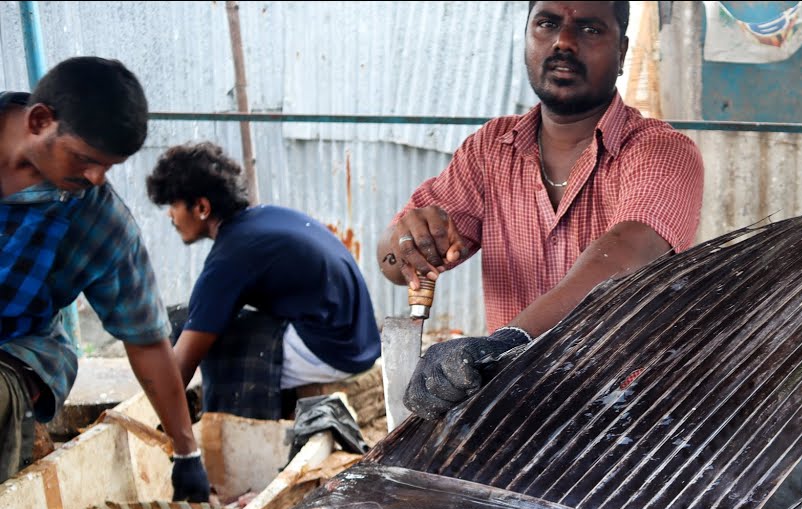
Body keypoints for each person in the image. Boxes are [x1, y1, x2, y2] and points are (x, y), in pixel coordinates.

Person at [378, 0, 704, 420]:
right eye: (547, 23)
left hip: (629, 415)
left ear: (622, 53)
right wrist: (408, 242)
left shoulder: (661, 151)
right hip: (514, 414)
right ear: (527, 35)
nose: (563, 42)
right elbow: (391, 262)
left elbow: (628, 251)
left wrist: (511, 341)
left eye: (589, 29)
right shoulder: (490, 149)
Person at [0, 56, 209, 500]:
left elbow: (147, 340)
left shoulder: (101, 220)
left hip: (15, 348)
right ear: (40, 121)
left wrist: (187, 455)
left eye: (108, 167)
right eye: (84, 159)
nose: (95, 177)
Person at [146, 142, 381, 420]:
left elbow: (184, 361)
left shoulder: (231, 255)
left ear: (201, 207)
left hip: (333, 349)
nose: (170, 215)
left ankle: (236, 425)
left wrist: (155, 422)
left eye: (173, 205)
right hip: (356, 338)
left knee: (204, 338)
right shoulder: (260, 221)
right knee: (196, 320)